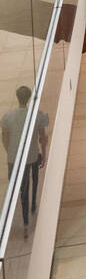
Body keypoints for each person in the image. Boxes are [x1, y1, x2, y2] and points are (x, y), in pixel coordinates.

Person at [1, 86, 49, 236]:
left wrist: (10, 152)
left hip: (14, 158)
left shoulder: (8, 116)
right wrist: (44, 154)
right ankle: (32, 205)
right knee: (33, 180)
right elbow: (43, 138)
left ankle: (25, 216)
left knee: (21, 187)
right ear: (29, 98)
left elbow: (4, 139)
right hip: (32, 156)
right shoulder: (36, 115)